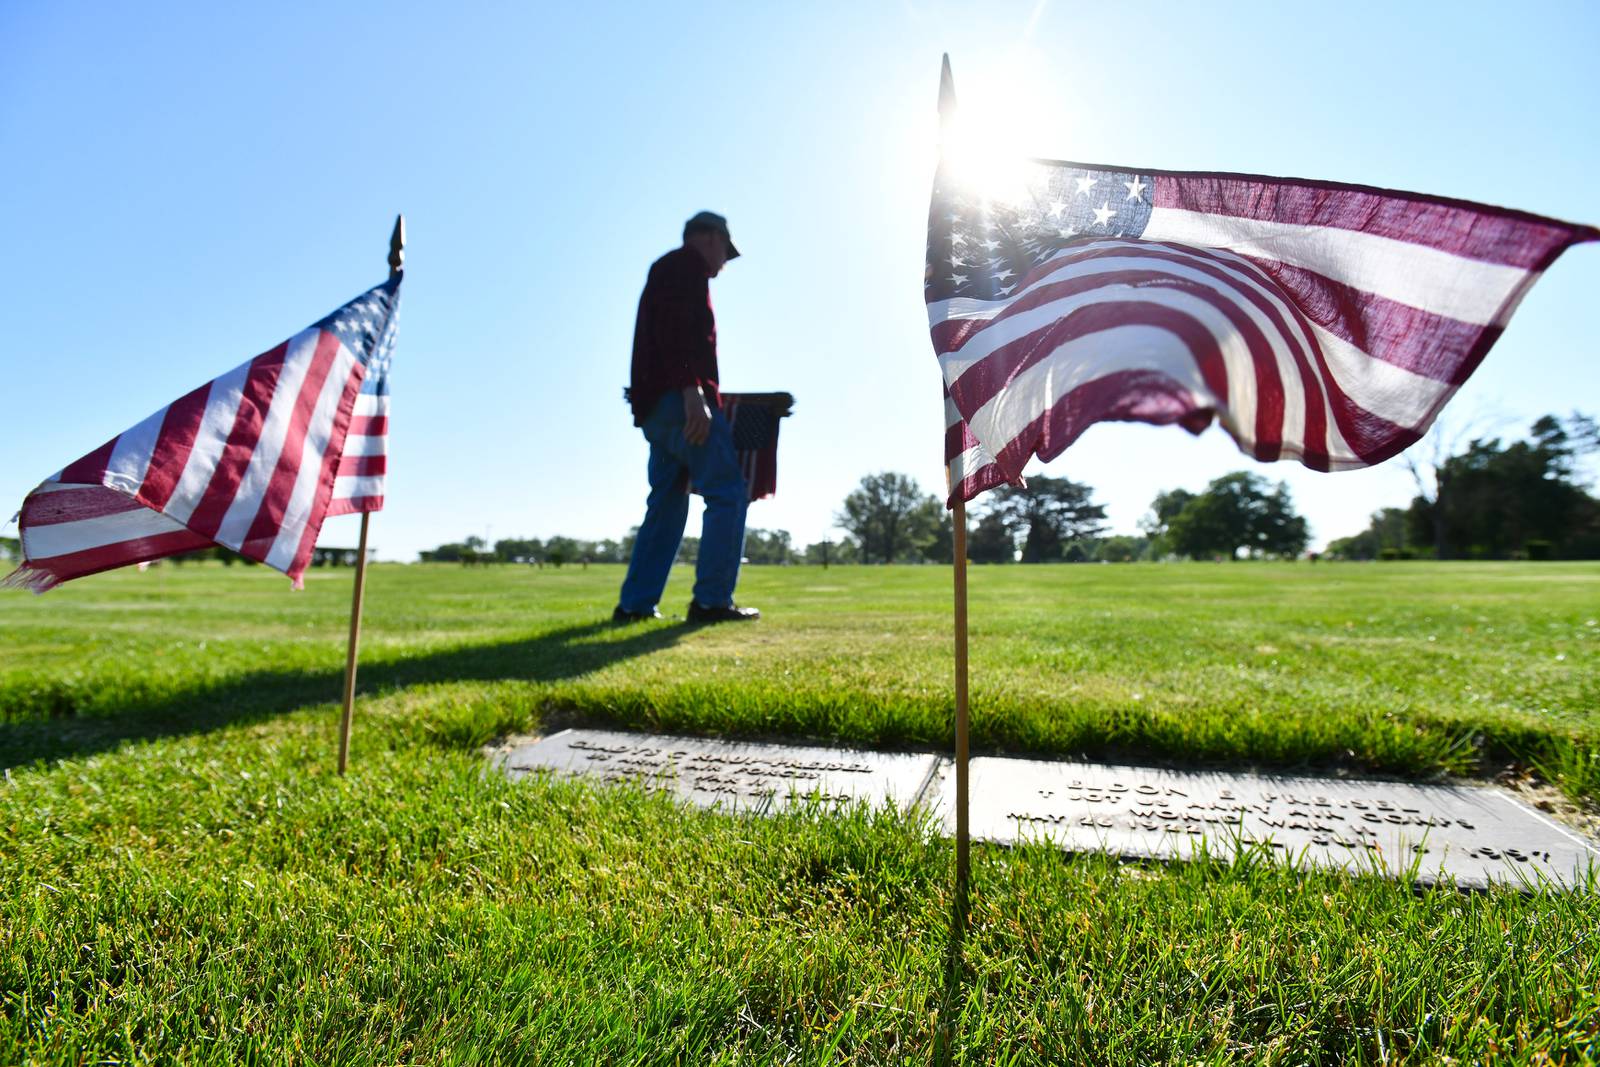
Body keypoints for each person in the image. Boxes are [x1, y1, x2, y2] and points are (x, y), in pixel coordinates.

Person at [614, 211, 759, 624]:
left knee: (666, 502)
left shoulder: (668, 268)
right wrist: (692, 391)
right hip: (682, 403)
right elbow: (677, 334)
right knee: (727, 491)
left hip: (657, 406)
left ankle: (635, 605)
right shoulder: (685, 266)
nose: (725, 262)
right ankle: (711, 601)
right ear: (711, 238)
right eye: (726, 251)